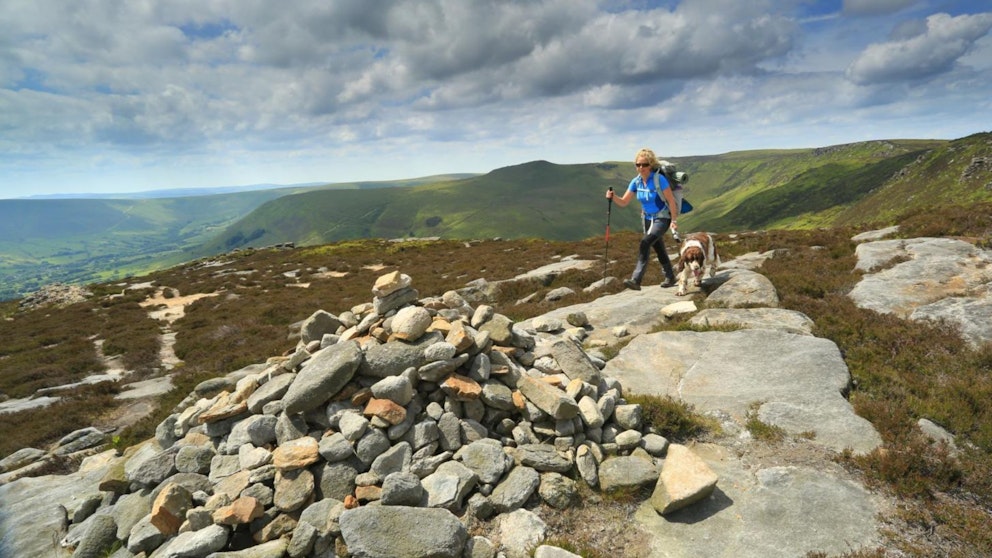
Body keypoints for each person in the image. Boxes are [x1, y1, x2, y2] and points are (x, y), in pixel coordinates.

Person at [605, 148, 679, 290]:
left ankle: (636, 279)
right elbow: (624, 202)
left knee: (645, 242)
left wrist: (674, 221)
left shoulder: (659, 179)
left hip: (662, 218)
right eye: (638, 165)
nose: (641, 168)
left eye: (644, 164)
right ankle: (670, 277)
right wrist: (613, 197)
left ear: (650, 165)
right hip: (647, 218)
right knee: (658, 247)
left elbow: (671, 201)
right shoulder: (636, 182)